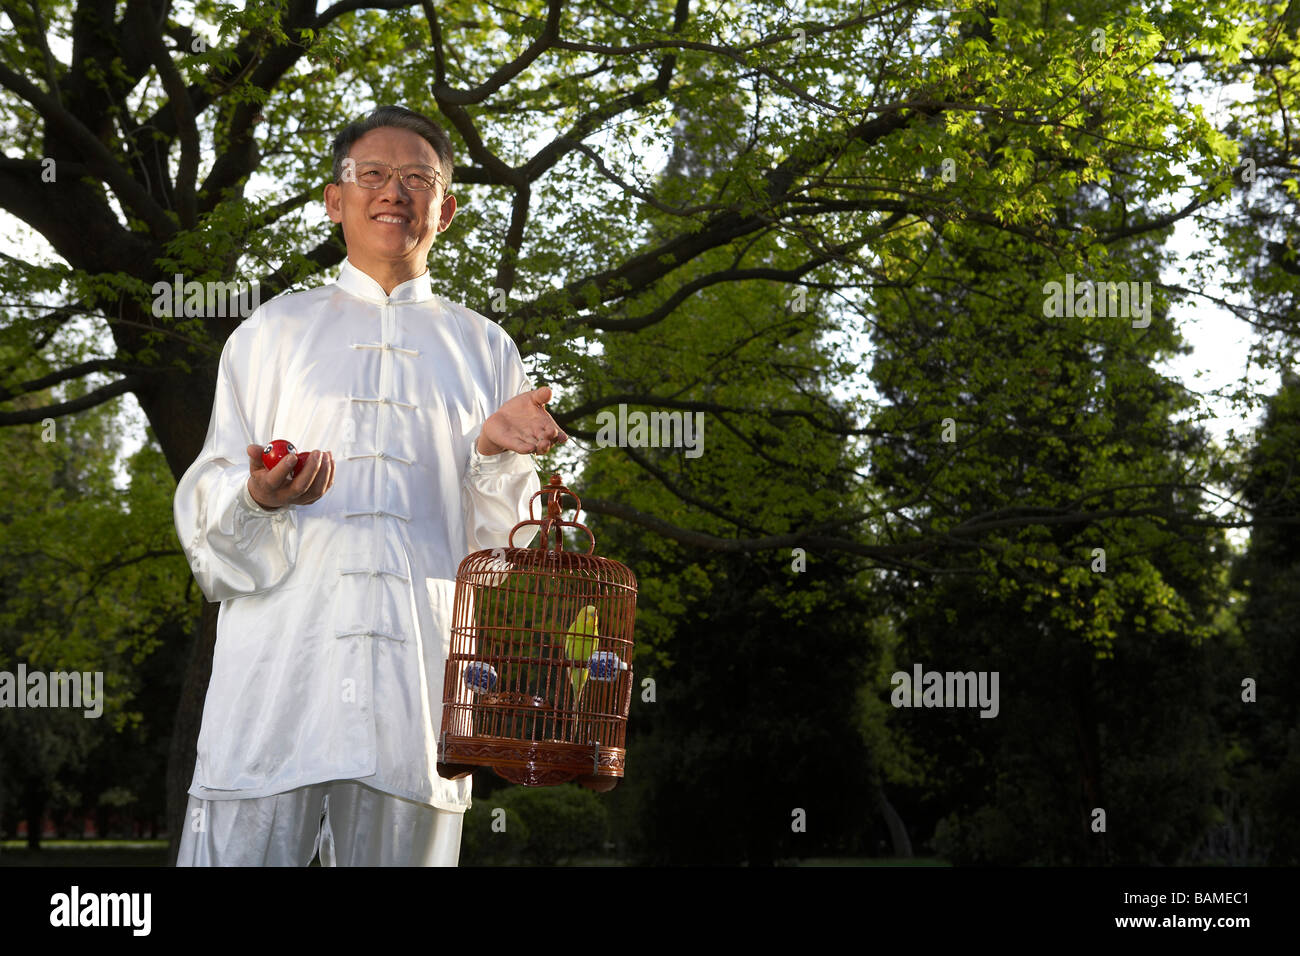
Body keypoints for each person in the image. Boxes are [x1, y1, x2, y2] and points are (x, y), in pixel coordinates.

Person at [172, 105, 566, 866]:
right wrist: (259, 498)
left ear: (445, 209)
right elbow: (208, 516)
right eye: (374, 175)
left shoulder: (487, 349)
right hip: (278, 682)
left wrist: (490, 450)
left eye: (419, 178)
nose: (395, 192)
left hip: (413, 694)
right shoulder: (269, 333)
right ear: (335, 199)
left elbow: (502, 548)